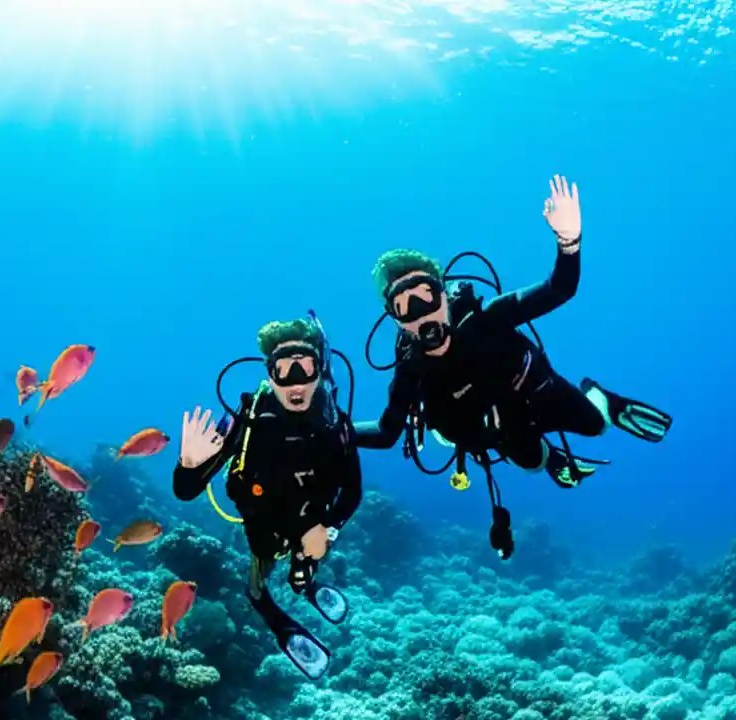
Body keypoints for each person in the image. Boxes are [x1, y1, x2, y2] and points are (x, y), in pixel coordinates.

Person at [354, 175, 672, 558]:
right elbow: (388, 432)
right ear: (395, 319)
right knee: (533, 463)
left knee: (596, 426)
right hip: (501, 435)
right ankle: (550, 457)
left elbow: (559, 289)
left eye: (426, 296)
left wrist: (568, 241)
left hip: (540, 395)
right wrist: (332, 429)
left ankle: (603, 398)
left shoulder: (488, 318)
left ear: (444, 292)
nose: (421, 315)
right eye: (405, 306)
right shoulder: (410, 370)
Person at [173, 314, 362, 679]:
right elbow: (185, 491)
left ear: (320, 370)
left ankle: (305, 582)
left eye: (304, 367)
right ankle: (282, 623)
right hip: (263, 527)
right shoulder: (245, 423)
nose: (295, 382)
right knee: (256, 590)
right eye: (283, 369)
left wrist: (329, 527)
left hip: (313, 525)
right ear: (269, 373)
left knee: (306, 562)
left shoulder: (334, 424)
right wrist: (188, 464)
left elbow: (352, 491)